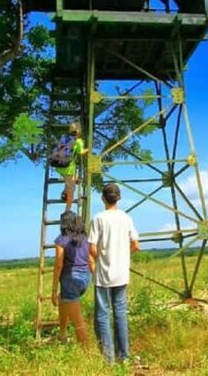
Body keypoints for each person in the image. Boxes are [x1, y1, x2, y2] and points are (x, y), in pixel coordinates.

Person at [88, 183, 140, 363]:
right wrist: (122, 254)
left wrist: (104, 255)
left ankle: (108, 359)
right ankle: (124, 356)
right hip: (121, 273)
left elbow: (92, 248)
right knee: (120, 313)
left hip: (103, 274)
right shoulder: (127, 218)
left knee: (103, 314)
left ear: (103, 198)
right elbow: (135, 245)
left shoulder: (98, 218)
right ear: (119, 197)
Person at [51, 211, 94, 346]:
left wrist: (53, 289)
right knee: (62, 298)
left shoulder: (62, 239)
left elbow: (58, 264)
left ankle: (87, 353)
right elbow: (91, 259)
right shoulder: (84, 238)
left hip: (70, 280)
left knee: (77, 322)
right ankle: (62, 334)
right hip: (85, 279)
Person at [55, 122, 87, 212]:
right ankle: (67, 210)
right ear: (79, 131)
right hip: (68, 167)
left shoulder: (64, 137)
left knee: (70, 181)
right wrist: (88, 149)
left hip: (59, 165)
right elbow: (81, 152)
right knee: (72, 188)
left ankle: (64, 192)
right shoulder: (78, 141)